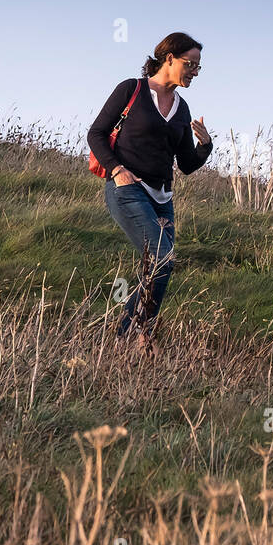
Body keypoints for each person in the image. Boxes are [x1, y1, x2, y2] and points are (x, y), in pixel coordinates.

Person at [88, 32, 212, 347]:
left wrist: (205, 147)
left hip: (163, 201)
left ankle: (140, 333)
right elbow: (97, 134)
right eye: (190, 64)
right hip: (127, 190)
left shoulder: (182, 110)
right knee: (163, 257)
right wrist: (117, 170)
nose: (194, 72)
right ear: (169, 58)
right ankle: (129, 335)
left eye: (198, 67)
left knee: (158, 267)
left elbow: (185, 163)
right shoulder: (132, 89)